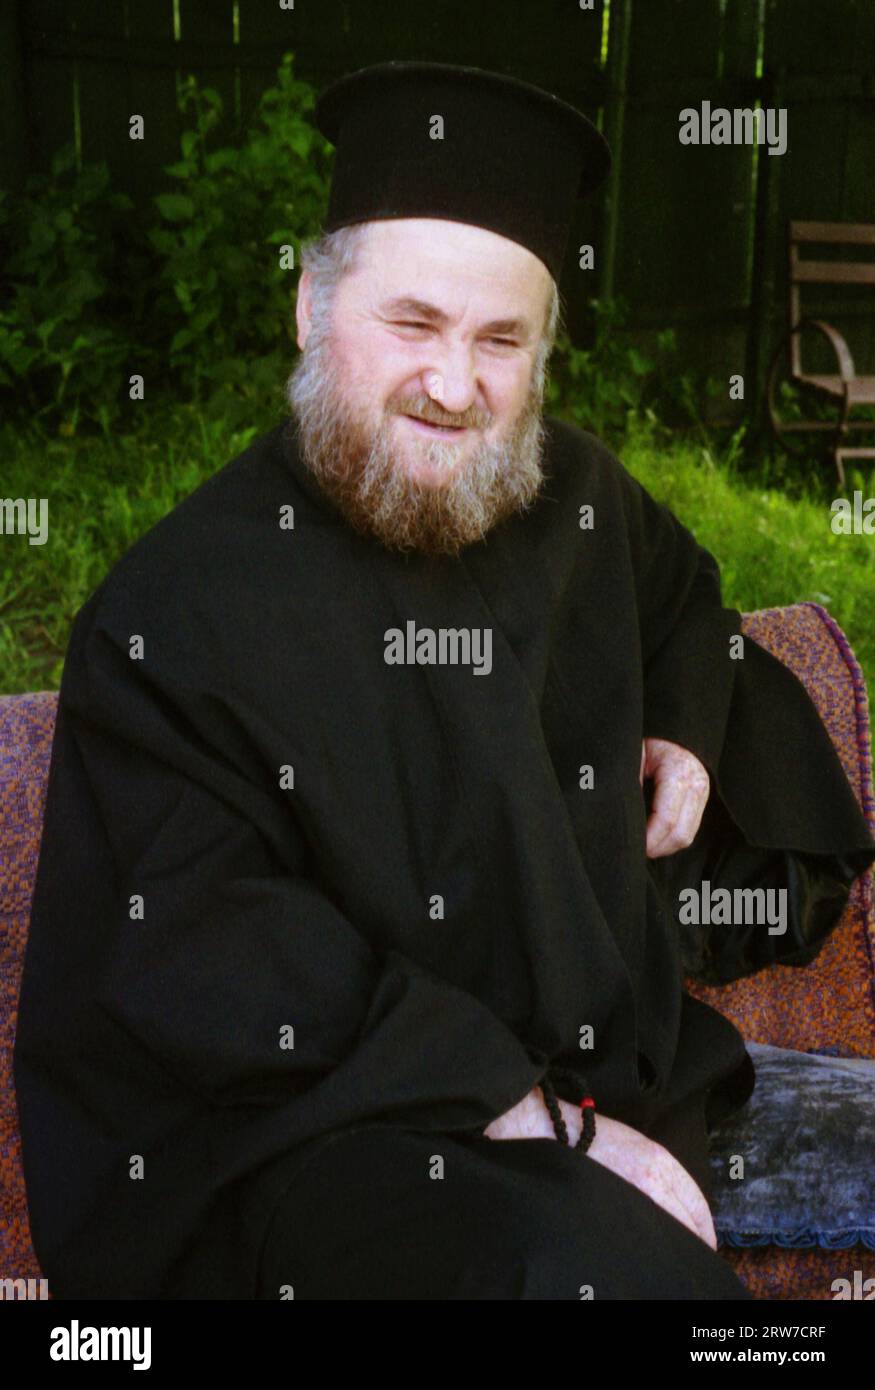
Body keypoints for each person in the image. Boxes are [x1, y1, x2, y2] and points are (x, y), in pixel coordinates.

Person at [14, 61, 875, 1301]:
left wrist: (687, 729)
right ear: (309, 307)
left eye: (500, 341)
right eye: (412, 325)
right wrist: (540, 1122)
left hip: (608, 1074)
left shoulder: (564, 492)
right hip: (321, 1142)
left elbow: (684, 589)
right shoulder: (172, 619)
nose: (456, 385)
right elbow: (219, 967)